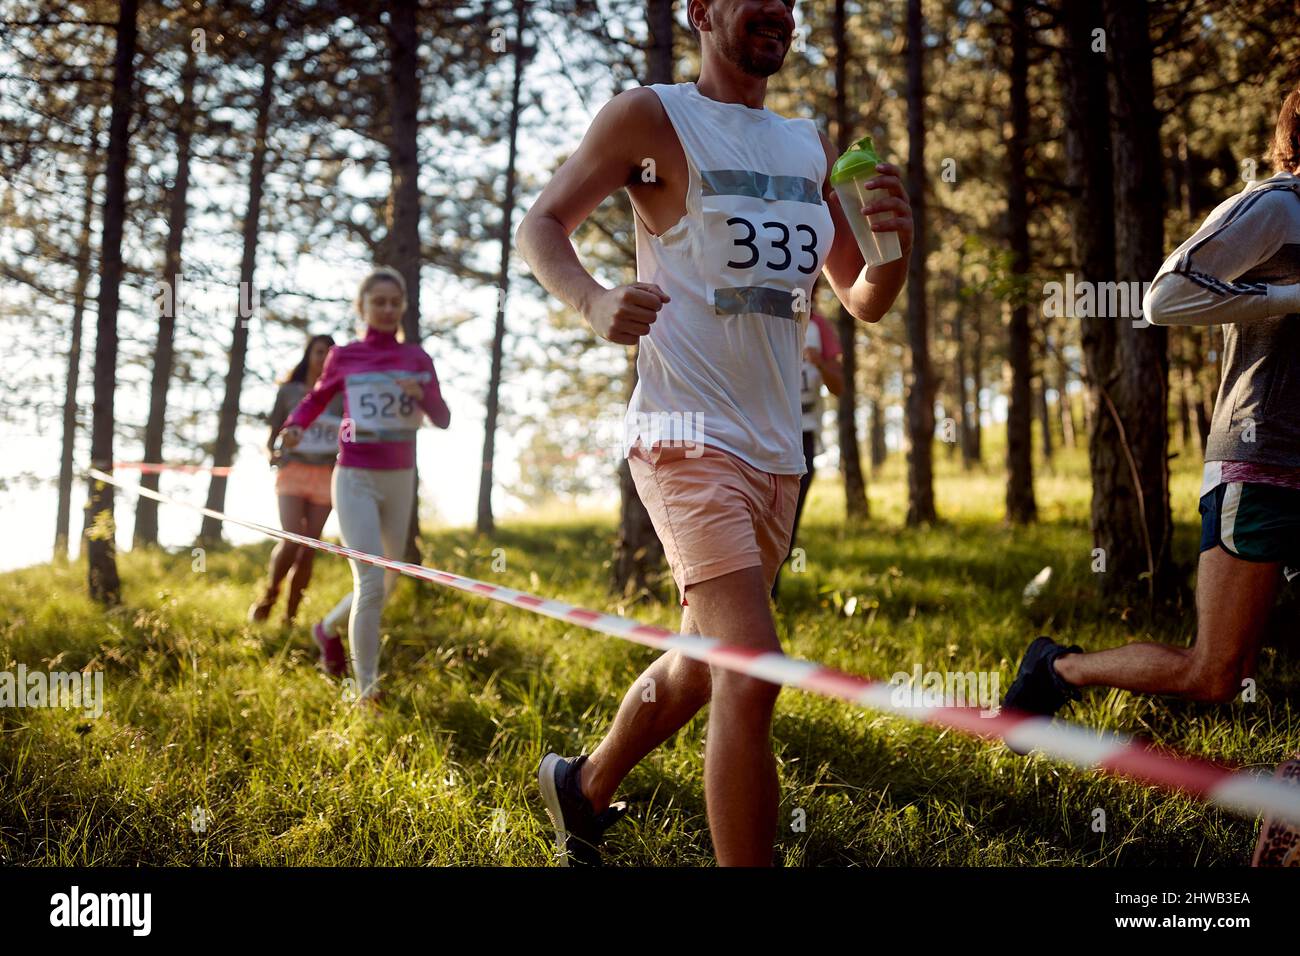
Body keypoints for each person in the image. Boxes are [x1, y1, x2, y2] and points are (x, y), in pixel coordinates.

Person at [516, 0, 911, 866]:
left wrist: (895, 248)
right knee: (753, 668)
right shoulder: (651, 118)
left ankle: (583, 787)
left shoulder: (806, 144)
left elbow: (862, 298)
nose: (778, 9)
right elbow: (541, 224)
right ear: (699, 10)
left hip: (777, 449)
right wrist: (592, 301)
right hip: (685, 433)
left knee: (703, 659)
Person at [1004, 82, 1300, 717]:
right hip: (1262, 461)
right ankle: (1059, 668)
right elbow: (1166, 297)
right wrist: (1292, 297)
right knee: (1217, 673)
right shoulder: (1276, 207)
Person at [279, 267, 451, 703]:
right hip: (354, 476)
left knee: (389, 580)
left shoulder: (417, 358)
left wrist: (422, 394)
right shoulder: (345, 356)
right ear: (362, 307)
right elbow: (316, 398)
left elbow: (443, 418)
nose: (388, 309)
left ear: (403, 307)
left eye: (395, 302)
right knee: (371, 582)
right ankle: (367, 691)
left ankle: (326, 628)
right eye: (379, 302)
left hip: (400, 478)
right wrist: (295, 426)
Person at [248, 334, 342, 626]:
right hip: (292, 470)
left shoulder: (341, 395)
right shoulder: (289, 392)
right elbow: (273, 432)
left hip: (326, 475)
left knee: (310, 546)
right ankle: (269, 595)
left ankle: (290, 616)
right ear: (308, 354)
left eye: (330, 353)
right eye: (319, 351)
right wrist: (271, 454)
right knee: (292, 536)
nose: (324, 357)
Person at [772, 305, 843, 599]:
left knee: (787, 521)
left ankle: (770, 596)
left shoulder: (818, 327)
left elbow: (839, 385)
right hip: (762, 429)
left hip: (802, 436)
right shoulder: (763, 311)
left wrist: (820, 364)